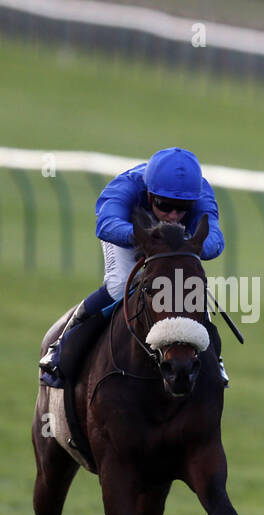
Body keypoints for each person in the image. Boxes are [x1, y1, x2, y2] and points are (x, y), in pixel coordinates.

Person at [39, 147, 225, 388]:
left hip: (178, 243)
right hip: (131, 234)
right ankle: (61, 346)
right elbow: (106, 225)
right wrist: (148, 238)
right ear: (149, 195)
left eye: (183, 208)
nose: (173, 215)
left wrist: (190, 246)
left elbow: (215, 241)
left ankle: (215, 362)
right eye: (164, 205)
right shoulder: (126, 187)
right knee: (119, 286)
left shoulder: (201, 193)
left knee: (189, 289)